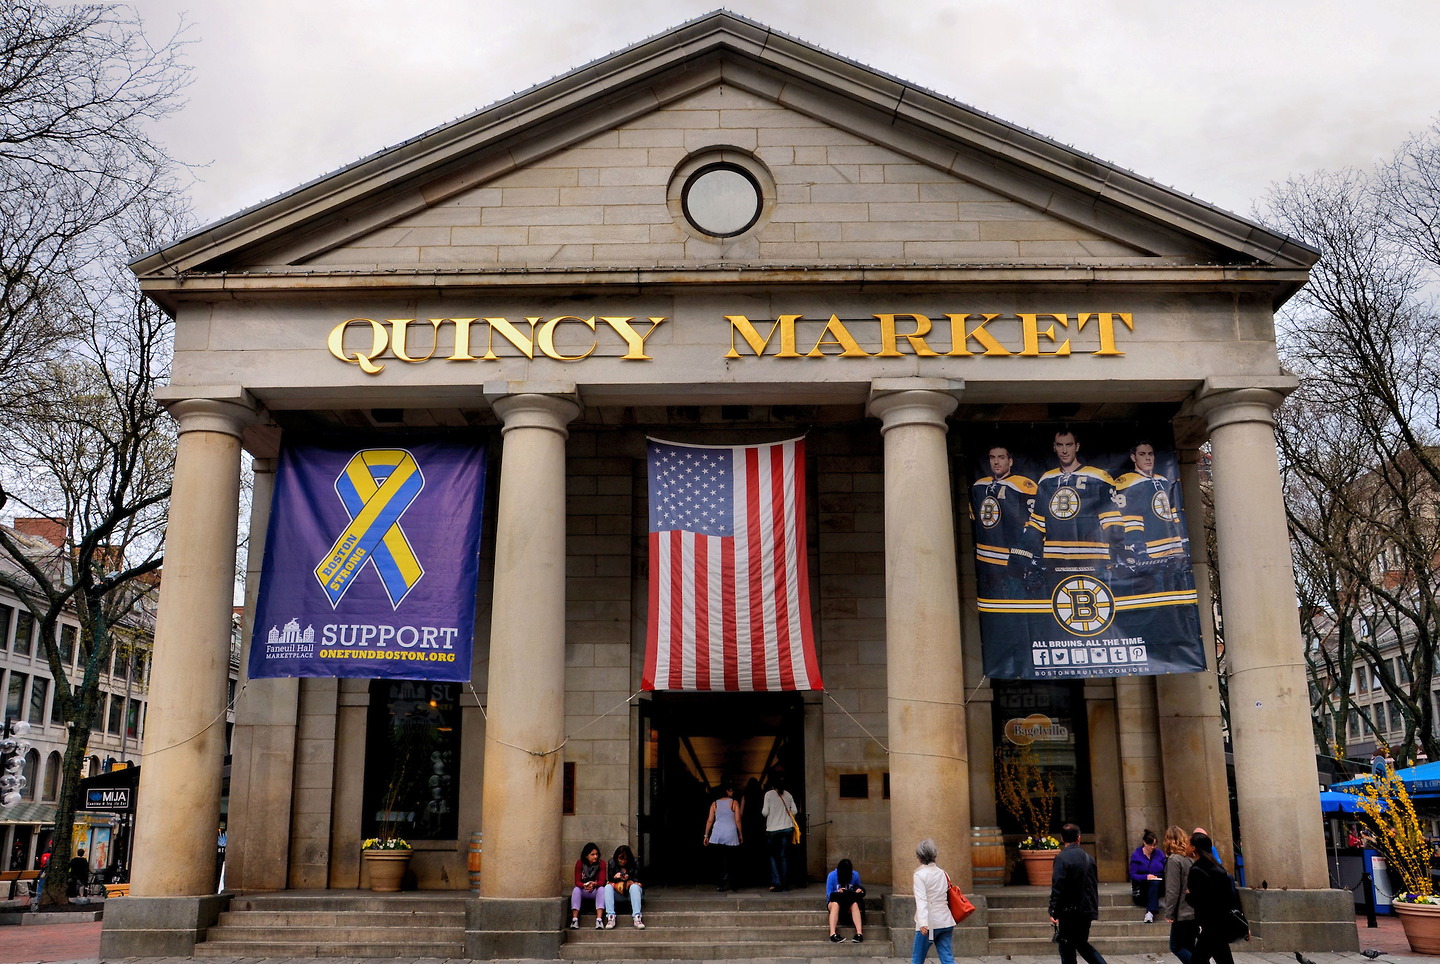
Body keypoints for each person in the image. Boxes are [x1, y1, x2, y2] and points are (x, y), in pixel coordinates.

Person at [1025, 429, 1124, 589]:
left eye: (1069, 445)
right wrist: (1026, 553)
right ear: (1054, 447)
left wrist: (1119, 552)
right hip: (1054, 562)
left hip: (1093, 562)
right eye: (1060, 445)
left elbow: (1112, 522)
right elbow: (1038, 524)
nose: (1064, 450)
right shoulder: (1046, 479)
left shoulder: (1099, 477)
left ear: (1077, 446)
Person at [1112, 440, 1190, 592]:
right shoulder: (1127, 482)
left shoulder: (1163, 480)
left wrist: (1182, 540)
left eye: (1150, 454)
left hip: (1173, 553)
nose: (1148, 458)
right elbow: (1130, 518)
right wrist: (1138, 549)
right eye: (1142, 454)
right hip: (1150, 556)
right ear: (1133, 458)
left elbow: (1173, 512)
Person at [969, 443, 1039, 600]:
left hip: (1012, 565)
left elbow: (1035, 525)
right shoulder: (979, 486)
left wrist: (1025, 557)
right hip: (984, 563)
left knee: (1015, 608)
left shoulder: (1023, 486)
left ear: (1010, 461)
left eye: (1001, 457)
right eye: (992, 458)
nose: (996, 462)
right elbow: (974, 521)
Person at [1185, 831, 1249, 964]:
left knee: (1198, 960)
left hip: (1210, 924)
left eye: (1187, 843)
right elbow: (1231, 896)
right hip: (1221, 921)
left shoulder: (1196, 870)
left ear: (1194, 848)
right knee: (1222, 957)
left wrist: (1188, 896)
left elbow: (1199, 900)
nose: (1185, 846)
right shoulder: (1218, 868)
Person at [1049, 822, 1108, 964]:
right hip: (1086, 909)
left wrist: (1053, 910)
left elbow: (1058, 886)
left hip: (1069, 910)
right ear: (1079, 838)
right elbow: (1093, 885)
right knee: (1080, 943)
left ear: (1062, 839)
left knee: (1067, 946)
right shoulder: (1089, 858)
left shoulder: (1062, 858)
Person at [911, 838, 955, 964]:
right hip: (946, 920)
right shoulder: (943, 873)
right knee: (947, 957)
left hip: (929, 922)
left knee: (917, 959)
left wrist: (923, 923)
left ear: (919, 857)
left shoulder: (919, 875)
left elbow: (921, 900)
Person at [1160, 826, 1197, 964]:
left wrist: (1169, 912)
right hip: (1193, 909)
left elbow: (1173, 889)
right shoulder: (1190, 859)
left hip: (1182, 911)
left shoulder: (1174, 860)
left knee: (1176, 946)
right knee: (1189, 945)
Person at [703, 783, 744, 891]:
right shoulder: (734, 803)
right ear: (726, 791)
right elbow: (738, 820)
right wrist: (740, 834)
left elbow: (710, 820)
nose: (732, 792)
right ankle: (733, 884)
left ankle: (720, 884)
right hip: (731, 835)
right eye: (730, 790)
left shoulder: (714, 804)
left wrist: (706, 835)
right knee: (732, 861)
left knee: (719, 861)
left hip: (717, 835)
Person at [761, 774, 797, 892]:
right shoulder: (788, 795)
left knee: (772, 856)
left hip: (772, 829)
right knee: (784, 857)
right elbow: (795, 811)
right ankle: (786, 884)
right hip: (787, 828)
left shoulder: (768, 795)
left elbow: (765, 812)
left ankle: (777, 883)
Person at [568, 842, 613, 930]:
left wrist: (594, 884)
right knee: (576, 890)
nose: (595, 857)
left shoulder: (601, 863)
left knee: (602, 889)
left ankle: (599, 920)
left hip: (595, 889)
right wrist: (584, 885)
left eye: (596, 854)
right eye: (592, 854)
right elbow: (577, 882)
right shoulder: (580, 863)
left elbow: (602, 881)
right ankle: (574, 920)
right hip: (584, 889)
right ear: (586, 856)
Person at [1127, 829, 1165, 923]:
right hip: (1143, 885)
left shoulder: (1159, 854)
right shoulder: (1137, 855)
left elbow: (1165, 866)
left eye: (1154, 845)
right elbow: (1133, 874)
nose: (1152, 847)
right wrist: (1146, 877)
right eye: (1150, 845)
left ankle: (1155, 903)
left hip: (1159, 882)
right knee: (1153, 884)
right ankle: (1150, 911)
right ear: (1144, 842)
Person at [825, 857, 865, 943]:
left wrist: (858, 890)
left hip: (848, 902)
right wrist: (838, 892)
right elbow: (829, 894)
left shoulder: (855, 875)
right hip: (835, 902)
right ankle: (832, 934)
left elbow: (858, 887)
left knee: (854, 904)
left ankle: (859, 933)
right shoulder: (832, 876)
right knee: (835, 904)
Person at [607, 844, 645, 929]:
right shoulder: (612, 863)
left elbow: (639, 880)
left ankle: (637, 916)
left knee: (634, 887)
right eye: (620, 859)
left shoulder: (635, 862)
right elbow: (610, 881)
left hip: (632, 893)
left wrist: (629, 879)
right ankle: (611, 916)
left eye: (625, 859)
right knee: (607, 888)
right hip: (618, 892)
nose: (623, 861)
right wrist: (616, 878)